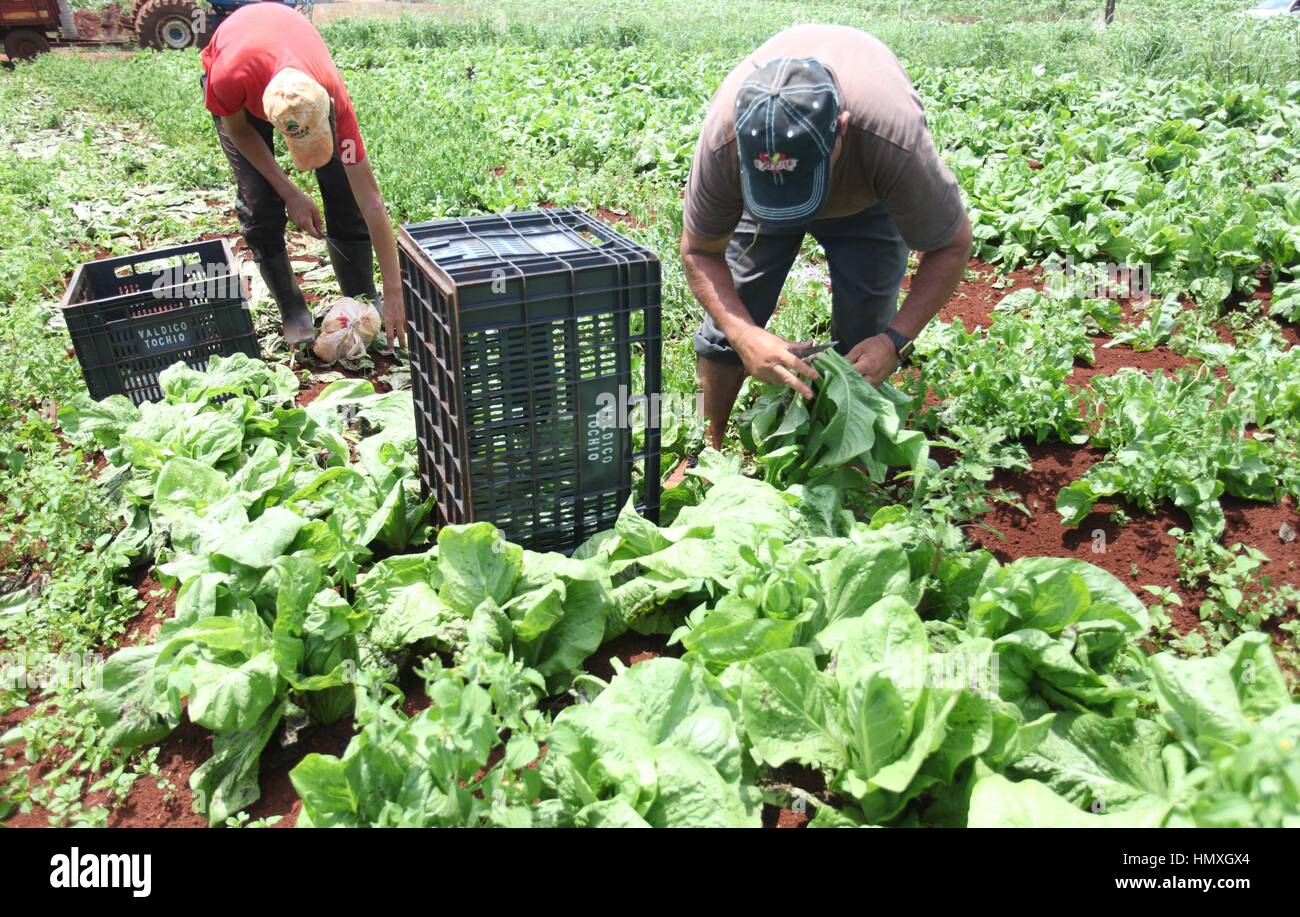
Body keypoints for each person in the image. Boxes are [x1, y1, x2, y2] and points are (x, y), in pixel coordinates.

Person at [681, 24, 972, 449]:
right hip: (758, 193)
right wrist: (743, 334)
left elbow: (952, 245)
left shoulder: (891, 140)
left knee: (864, 337)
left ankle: (841, 456)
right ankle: (707, 449)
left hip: (867, 197)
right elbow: (699, 252)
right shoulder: (726, 140)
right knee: (732, 319)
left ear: (842, 127)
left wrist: (894, 341)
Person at [199, 2, 406, 349]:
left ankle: (361, 295)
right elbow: (239, 130)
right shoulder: (228, 78)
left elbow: (370, 199)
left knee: (344, 190)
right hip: (241, 86)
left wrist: (395, 290)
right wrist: (289, 192)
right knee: (259, 203)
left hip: (293, 65)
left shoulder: (330, 95)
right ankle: (292, 309)